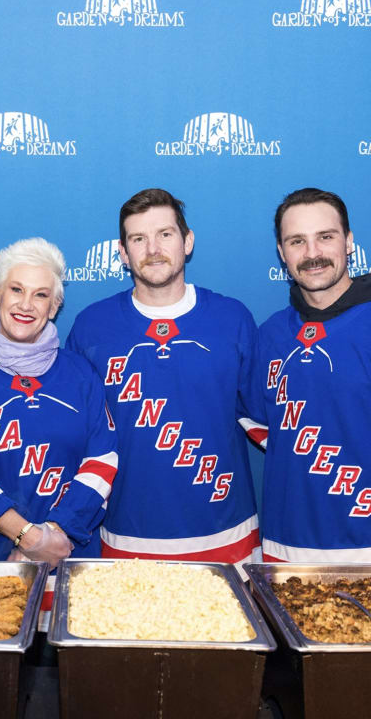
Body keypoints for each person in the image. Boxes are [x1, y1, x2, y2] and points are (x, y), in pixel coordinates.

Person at [66, 188, 263, 563]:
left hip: (227, 533)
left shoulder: (232, 318)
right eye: (138, 239)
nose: (153, 249)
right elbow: (74, 435)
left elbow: (269, 419)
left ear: (187, 242)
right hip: (126, 537)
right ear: (123, 253)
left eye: (165, 234)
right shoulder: (92, 327)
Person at [252, 187, 371, 563]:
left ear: (349, 242)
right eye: (297, 241)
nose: (312, 253)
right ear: (281, 252)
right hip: (286, 549)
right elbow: (265, 429)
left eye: (325, 237)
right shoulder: (270, 335)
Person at [0, 238, 116, 568]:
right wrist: (28, 538)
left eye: (40, 295)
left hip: (69, 554)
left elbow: (102, 460)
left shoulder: (81, 374)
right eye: (16, 290)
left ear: (54, 307)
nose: (26, 304)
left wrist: (52, 537)